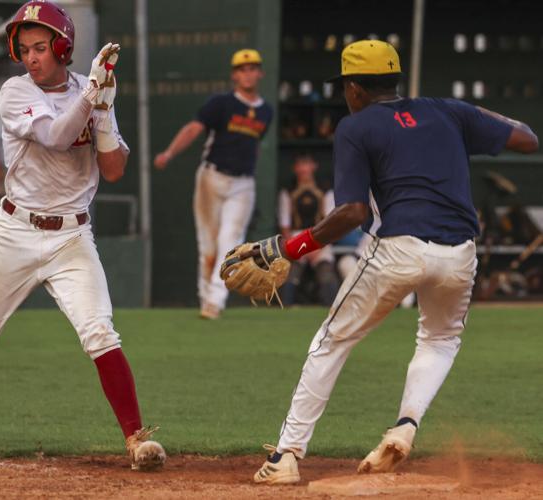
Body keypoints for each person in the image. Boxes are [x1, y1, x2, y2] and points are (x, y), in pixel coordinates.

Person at [230, 40, 538, 485]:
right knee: (439, 339)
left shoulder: (355, 127)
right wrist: (469, 116)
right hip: (460, 252)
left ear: (354, 88)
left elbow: (354, 212)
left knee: (332, 341)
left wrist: (288, 248)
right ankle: (405, 426)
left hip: (400, 248)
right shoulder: (447, 111)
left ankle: (286, 456)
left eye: (344, 88)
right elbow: (527, 138)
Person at [0, 1, 165, 471]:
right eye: (24, 48)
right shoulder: (15, 92)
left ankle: (136, 439)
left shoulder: (91, 93)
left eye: (42, 47)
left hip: (72, 236)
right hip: (16, 230)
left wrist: (104, 111)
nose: (31, 57)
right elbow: (54, 136)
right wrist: (92, 95)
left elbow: (112, 169)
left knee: (100, 333)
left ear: (63, 46)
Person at [154, 49, 273, 320]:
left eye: (253, 68)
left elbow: (254, 146)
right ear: (234, 75)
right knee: (208, 245)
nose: (248, 73)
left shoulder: (266, 111)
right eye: (243, 69)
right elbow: (193, 129)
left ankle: (215, 302)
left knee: (230, 243)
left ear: (260, 73)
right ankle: (205, 296)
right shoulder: (221, 103)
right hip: (212, 177)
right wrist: (170, 153)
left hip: (243, 183)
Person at [277, 155, 339, 306]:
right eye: (300, 165)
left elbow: (330, 221)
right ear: (295, 168)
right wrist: (295, 247)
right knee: (290, 273)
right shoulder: (288, 191)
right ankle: (285, 309)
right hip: (296, 237)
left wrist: (317, 246)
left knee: (326, 274)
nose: (304, 169)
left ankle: (331, 310)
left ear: (314, 166)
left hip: (320, 237)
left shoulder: (325, 190)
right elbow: (284, 225)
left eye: (307, 164)